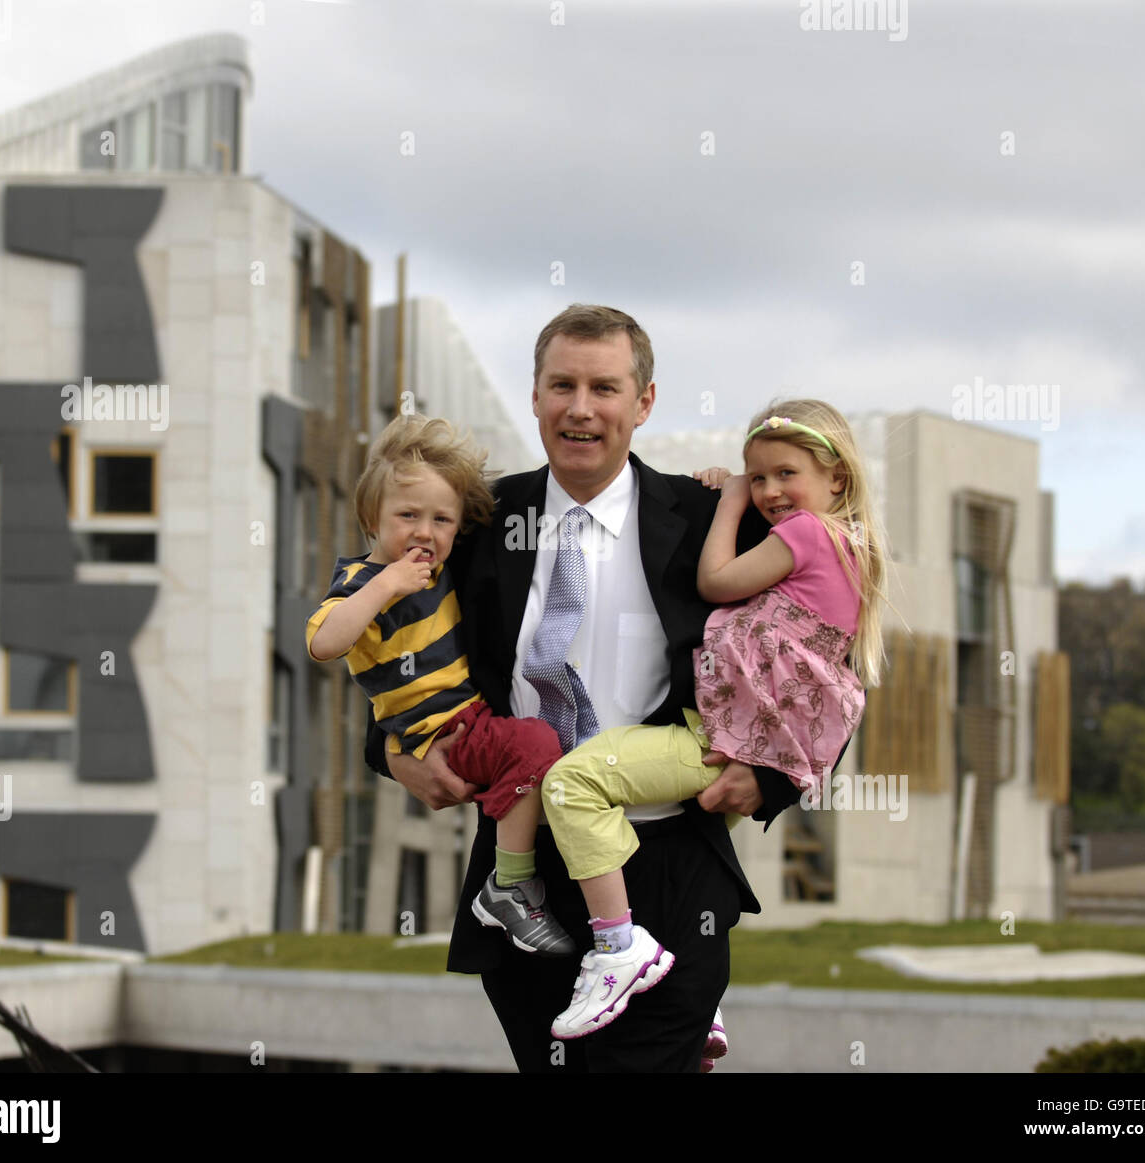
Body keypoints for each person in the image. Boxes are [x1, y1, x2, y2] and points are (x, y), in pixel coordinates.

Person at [366, 305, 813, 1073]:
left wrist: (769, 775)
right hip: (524, 876)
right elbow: (392, 651)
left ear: (642, 403)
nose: (581, 407)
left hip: (669, 869)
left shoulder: (713, 520)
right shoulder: (476, 522)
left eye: (604, 387)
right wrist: (392, 753)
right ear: (535, 395)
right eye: (561, 384)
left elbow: (823, 656)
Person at [541, 399, 886, 1040]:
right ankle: (697, 995)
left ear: (837, 476)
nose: (769, 491)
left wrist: (727, 499)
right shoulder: (853, 546)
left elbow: (717, 581)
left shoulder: (808, 534)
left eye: (786, 474)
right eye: (757, 477)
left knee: (572, 784)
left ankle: (619, 950)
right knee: (666, 851)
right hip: (758, 744)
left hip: (715, 740)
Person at [305, 415, 577, 957]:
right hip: (439, 731)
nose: (425, 532)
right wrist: (386, 584)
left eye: (441, 520)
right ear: (372, 518)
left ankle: (521, 876)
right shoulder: (365, 584)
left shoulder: (445, 569)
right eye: (407, 516)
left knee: (544, 756)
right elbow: (323, 643)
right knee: (536, 746)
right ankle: (509, 883)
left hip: (468, 716)